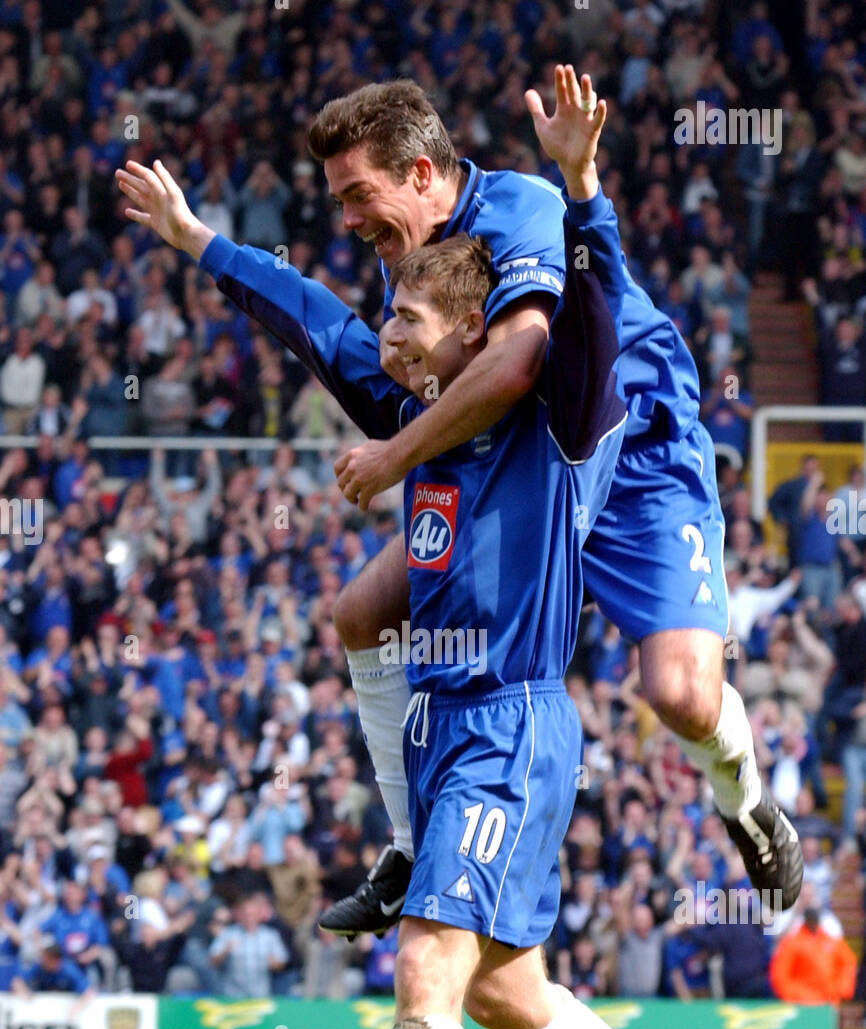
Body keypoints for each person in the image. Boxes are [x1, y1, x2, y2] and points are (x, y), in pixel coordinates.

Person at [115, 63, 735, 1029]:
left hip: (507, 727)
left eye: (405, 315)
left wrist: (578, 179)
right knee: (505, 992)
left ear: (467, 327)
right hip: (441, 731)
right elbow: (311, 316)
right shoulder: (418, 388)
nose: (382, 329)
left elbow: (587, 310)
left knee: (428, 961)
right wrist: (199, 243)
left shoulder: (549, 410)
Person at [267, 75, 800, 939]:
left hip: (629, 455)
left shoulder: (517, 206)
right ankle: (408, 846)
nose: (347, 220)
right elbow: (377, 353)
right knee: (361, 611)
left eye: (357, 194)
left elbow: (520, 362)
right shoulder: (417, 257)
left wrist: (398, 454)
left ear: (420, 173)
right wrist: (201, 244)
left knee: (680, 696)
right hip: (530, 470)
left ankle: (747, 801)